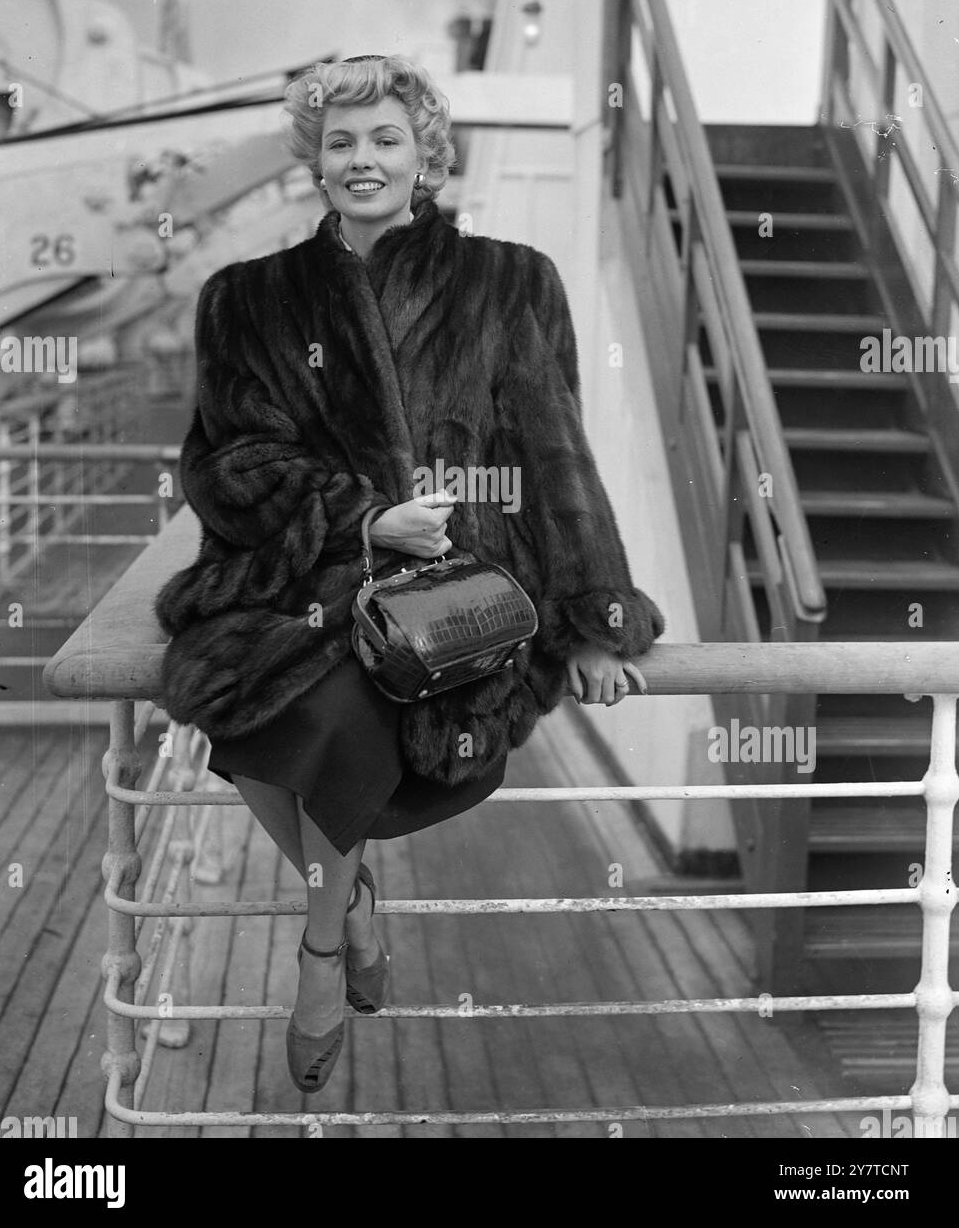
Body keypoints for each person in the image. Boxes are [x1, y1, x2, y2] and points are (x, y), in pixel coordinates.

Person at [154, 53, 664, 1095]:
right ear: (314, 159)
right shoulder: (246, 298)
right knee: (251, 694)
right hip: (302, 572)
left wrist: (596, 616)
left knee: (342, 712)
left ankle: (318, 952)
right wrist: (361, 517)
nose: (362, 159)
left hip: (455, 590)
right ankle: (340, 917)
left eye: (385, 138)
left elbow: (553, 454)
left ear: (426, 153)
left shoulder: (509, 280)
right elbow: (225, 462)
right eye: (339, 141)